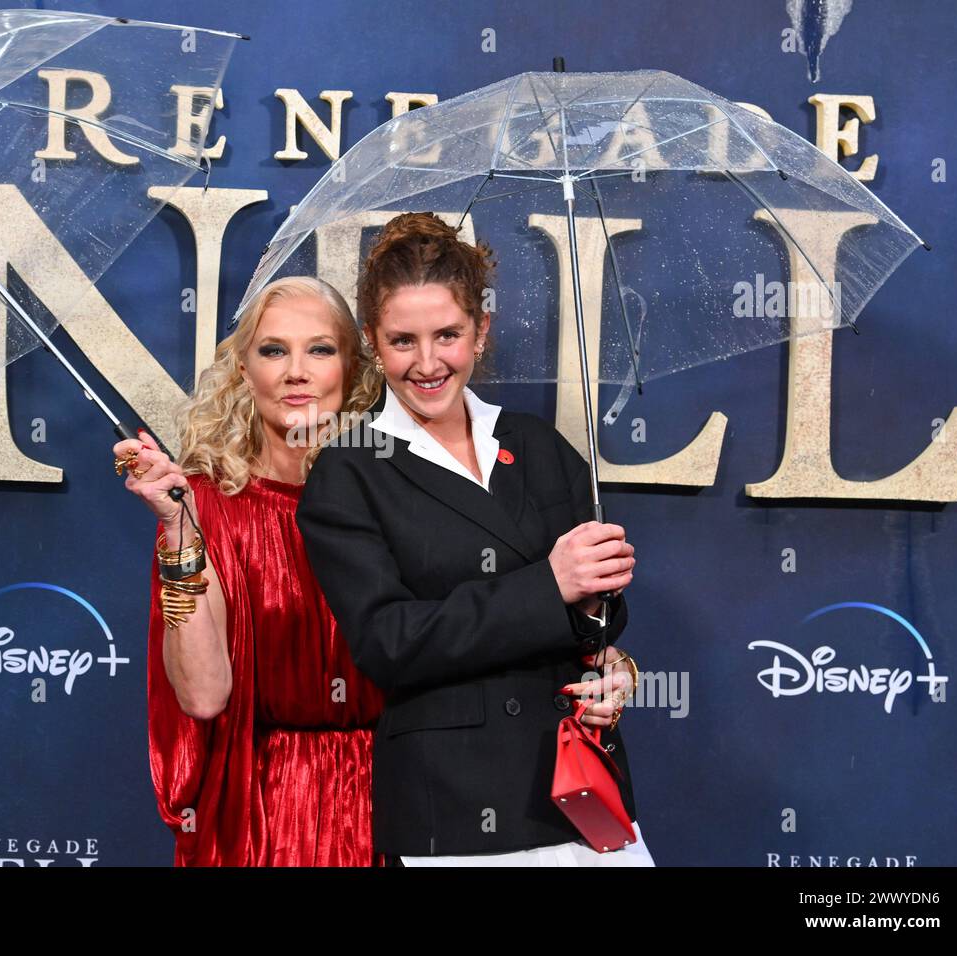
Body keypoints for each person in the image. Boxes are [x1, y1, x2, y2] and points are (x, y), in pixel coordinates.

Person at [295, 212, 653, 866]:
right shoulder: (348, 472)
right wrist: (549, 585)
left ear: (480, 331)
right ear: (373, 341)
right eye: (403, 340)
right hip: (454, 811)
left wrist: (608, 665)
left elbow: (600, 618)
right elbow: (390, 643)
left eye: (448, 335)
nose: (427, 363)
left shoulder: (540, 447)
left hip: (586, 798)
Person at [114, 276, 387, 866]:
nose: (296, 371)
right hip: (256, 821)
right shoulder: (205, 507)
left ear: (353, 369)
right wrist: (178, 528)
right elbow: (205, 696)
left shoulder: (398, 502)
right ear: (243, 371)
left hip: (392, 811)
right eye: (273, 350)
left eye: (320, 349)